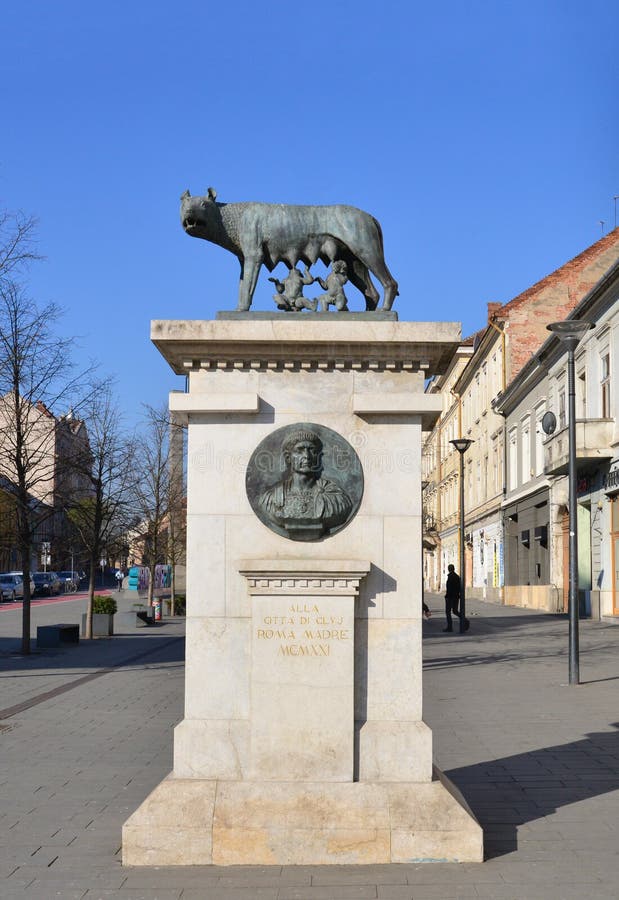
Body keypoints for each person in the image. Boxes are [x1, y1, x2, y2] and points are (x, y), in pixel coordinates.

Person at [259, 429, 352, 537]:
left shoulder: (336, 497)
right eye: (299, 450)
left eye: (311, 450)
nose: (307, 456)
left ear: (317, 457)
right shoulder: (271, 499)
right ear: (288, 458)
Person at [443, 564, 469, 632]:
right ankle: (465, 620)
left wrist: (447, 596)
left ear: (449, 569)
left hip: (450, 597)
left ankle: (450, 627)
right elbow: (459, 587)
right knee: (455, 611)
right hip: (456, 597)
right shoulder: (457, 577)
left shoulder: (450, 576)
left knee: (448, 612)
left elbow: (449, 588)